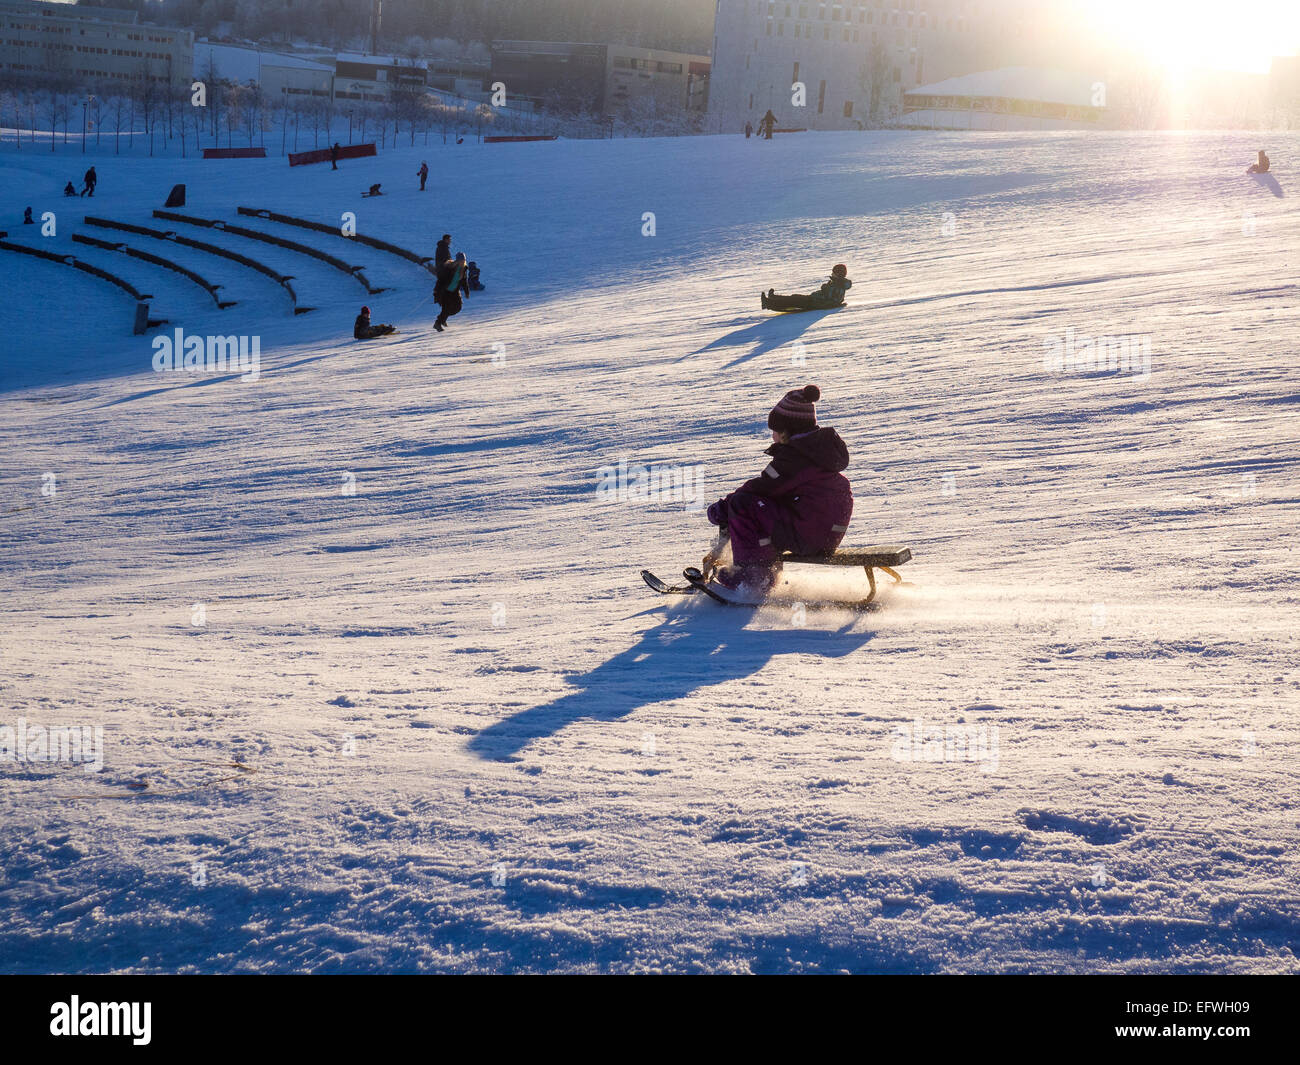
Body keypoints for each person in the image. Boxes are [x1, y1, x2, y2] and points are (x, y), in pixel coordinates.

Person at [701, 385, 853, 597]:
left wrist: (722, 509)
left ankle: (755, 578)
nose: (772, 436)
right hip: (824, 535)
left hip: (808, 535)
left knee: (743, 504)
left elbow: (760, 489)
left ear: (785, 432)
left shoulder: (795, 459)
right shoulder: (816, 453)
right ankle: (766, 572)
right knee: (767, 508)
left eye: (774, 430)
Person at [762, 264, 852, 312]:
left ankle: (769, 303)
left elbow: (830, 298)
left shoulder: (839, 285)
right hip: (815, 300)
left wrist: (824, 288)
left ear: (838, 274)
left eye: (833, 273)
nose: (832, 274)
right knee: (795, 297)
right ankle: (773, 298)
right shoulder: (838, 283)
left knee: (795, 300)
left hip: (816, 303)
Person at [433, 251, 470, 332]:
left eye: (463, 260)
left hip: (455, 291)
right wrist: (436, 290)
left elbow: (464, 281)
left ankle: (442, 319)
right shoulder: (450, 268)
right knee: (446, 309)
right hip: (445, 291)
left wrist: (467, 292)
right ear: (457, 260)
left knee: (458, 307)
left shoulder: (464, 269)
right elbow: (441, 280)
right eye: (461, 260)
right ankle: (438, 323)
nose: (462, 262)